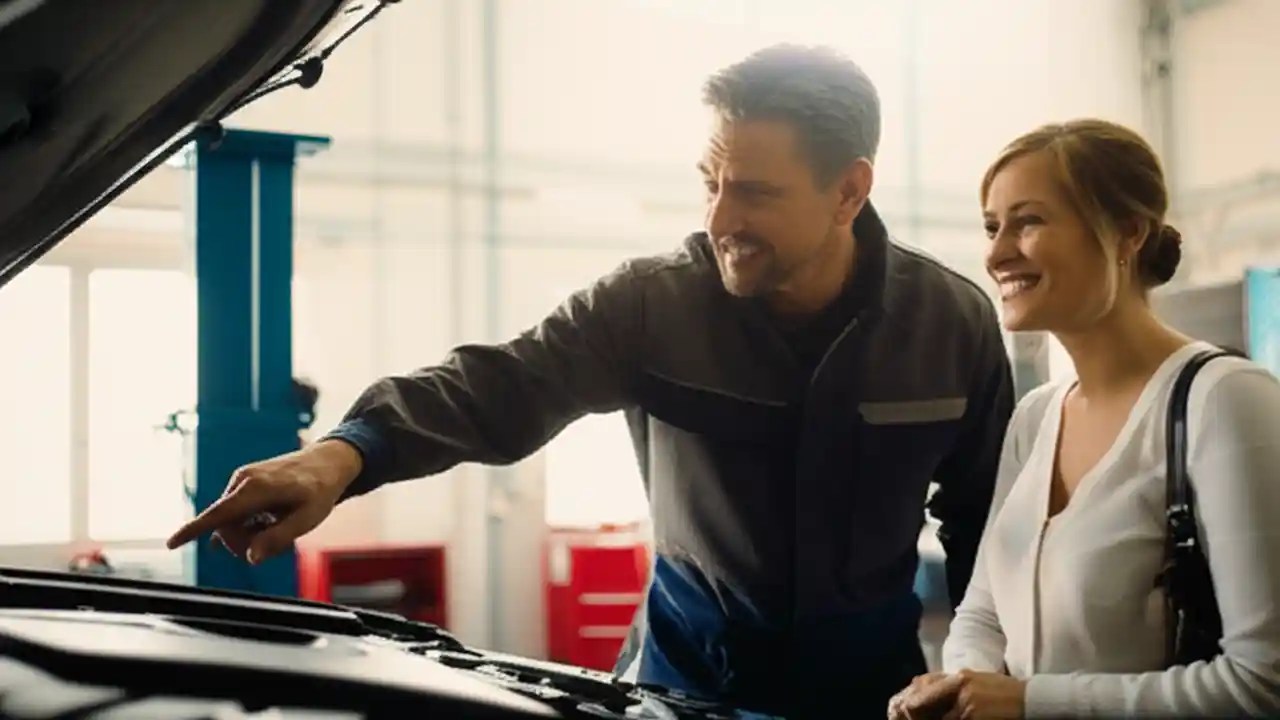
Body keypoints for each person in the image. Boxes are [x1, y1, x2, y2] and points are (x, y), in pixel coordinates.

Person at [167, 44, 1014, 717]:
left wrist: (993, 676)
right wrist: (343, 456)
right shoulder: (653, 307)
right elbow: (502, 385)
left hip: (875, 699)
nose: (719, 218)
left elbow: (989, 526)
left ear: (849, 191)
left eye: (753, 192)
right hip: (680, 689)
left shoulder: (950, 325)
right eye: (709, 183)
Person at [889, 119, 1280, 719]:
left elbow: (1262, 682)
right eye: (993, 227)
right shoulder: (1036, 416)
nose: (996, 253)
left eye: (1029, 221)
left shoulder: (1226, 401)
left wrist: (1027, 702)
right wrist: (960, 688)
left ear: (1126, 233)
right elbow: (983, 612)